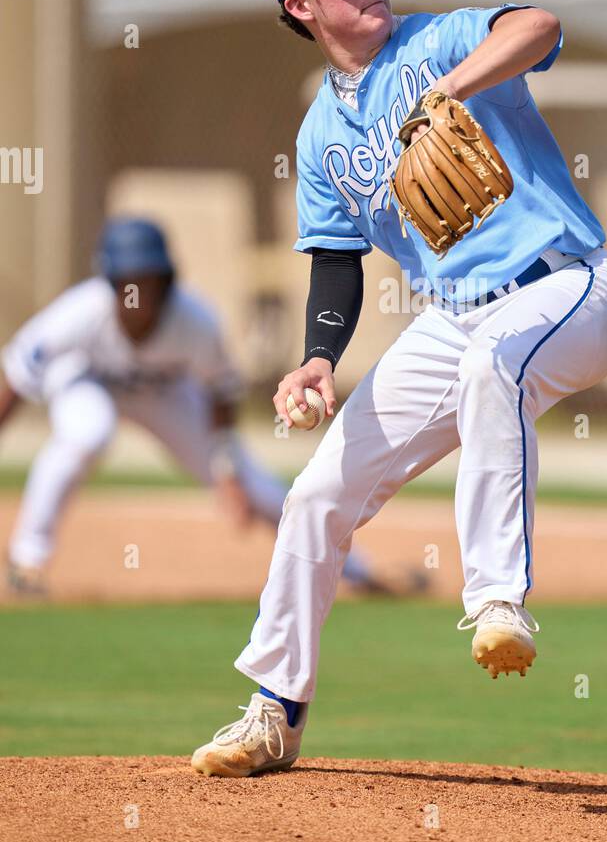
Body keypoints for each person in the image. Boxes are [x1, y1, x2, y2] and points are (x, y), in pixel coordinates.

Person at [190, 0, 607, 778]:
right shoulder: (321, 134)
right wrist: (318, 358)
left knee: (492, 363)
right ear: (300, 5)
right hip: (456, 317)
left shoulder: (438, 44)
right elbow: (335, 261)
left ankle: (498, 599)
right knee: (318, 494)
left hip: (572, 287)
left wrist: (454, 88)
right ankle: (275, 710)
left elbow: (540, 25)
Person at [0, 217, 381, 598]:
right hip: (86, 384)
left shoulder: (194, 319)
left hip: (163, 393)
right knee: (86, 434)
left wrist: (226, 469)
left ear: (166, 280)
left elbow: (221, 391)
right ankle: (27, 560)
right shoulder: (79, 312)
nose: (139, 292)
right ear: (112, 282)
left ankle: (357, 571)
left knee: (253, 484)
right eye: (129, 281)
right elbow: (16, 376)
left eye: (149, 280)